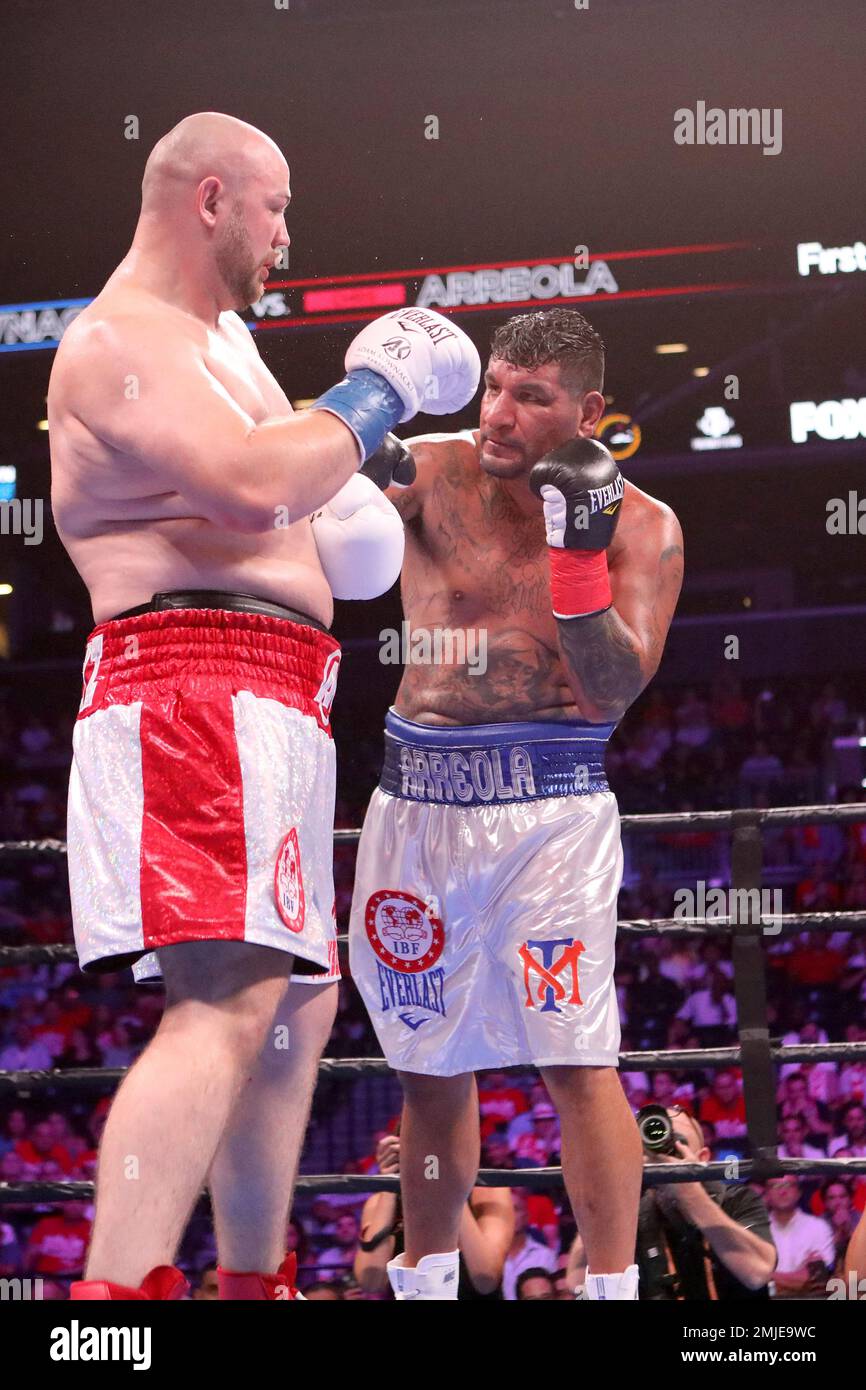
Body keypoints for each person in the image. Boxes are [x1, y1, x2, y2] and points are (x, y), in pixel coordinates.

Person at [47, 110, 479, 1301]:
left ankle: (252, 1283)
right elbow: (247, 484)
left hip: (277, 693)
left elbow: (297, 488)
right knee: (228, 993)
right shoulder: (116, 341)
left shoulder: (225, 340)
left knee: (292, 997)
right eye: (276, 208)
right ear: (210, 199)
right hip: (192, 676)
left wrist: (352, 475)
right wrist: (377, 391)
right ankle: (107, 1313)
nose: (287, 235)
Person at [348, 307, 684, 1299]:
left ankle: (613, 1289)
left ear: (585, 411)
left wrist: (575, 555)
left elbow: (614, 691)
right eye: (493, 385)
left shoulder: (643, 526)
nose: (497, 413)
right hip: (415, 805)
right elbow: (296, 463)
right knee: (428, 1064)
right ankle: (427, 1278)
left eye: (528, 398)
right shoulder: (432, 472)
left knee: (575, 1055)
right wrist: (363, 412)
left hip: (552, 813)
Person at [567, 1106, 776, 1300]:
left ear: (702, 1157)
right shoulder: (634, 1214)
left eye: (676, 1145)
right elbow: (578, 1285)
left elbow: (757, 1273)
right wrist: (615, 1193)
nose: (662, 1158)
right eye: (648, 1150)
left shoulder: (736, 1200)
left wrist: (689, 1191)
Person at [354, 1131, 513, 1298]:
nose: (428, 1160)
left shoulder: (489, 1194)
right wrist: (390, 1183)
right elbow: (370, 1282)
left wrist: (451, 1185)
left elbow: (486, 1280)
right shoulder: (381, 1203)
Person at [765, 1176, 835, 1298]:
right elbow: (751, 1278)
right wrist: (797, 1278)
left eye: (788, 1185)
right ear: (767, 1195)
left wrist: (769, 1276)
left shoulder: (819, 1228)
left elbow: (816, 1280)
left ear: (799, 1192)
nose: (782, 1191)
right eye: (775, 1186)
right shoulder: (754, 1231)